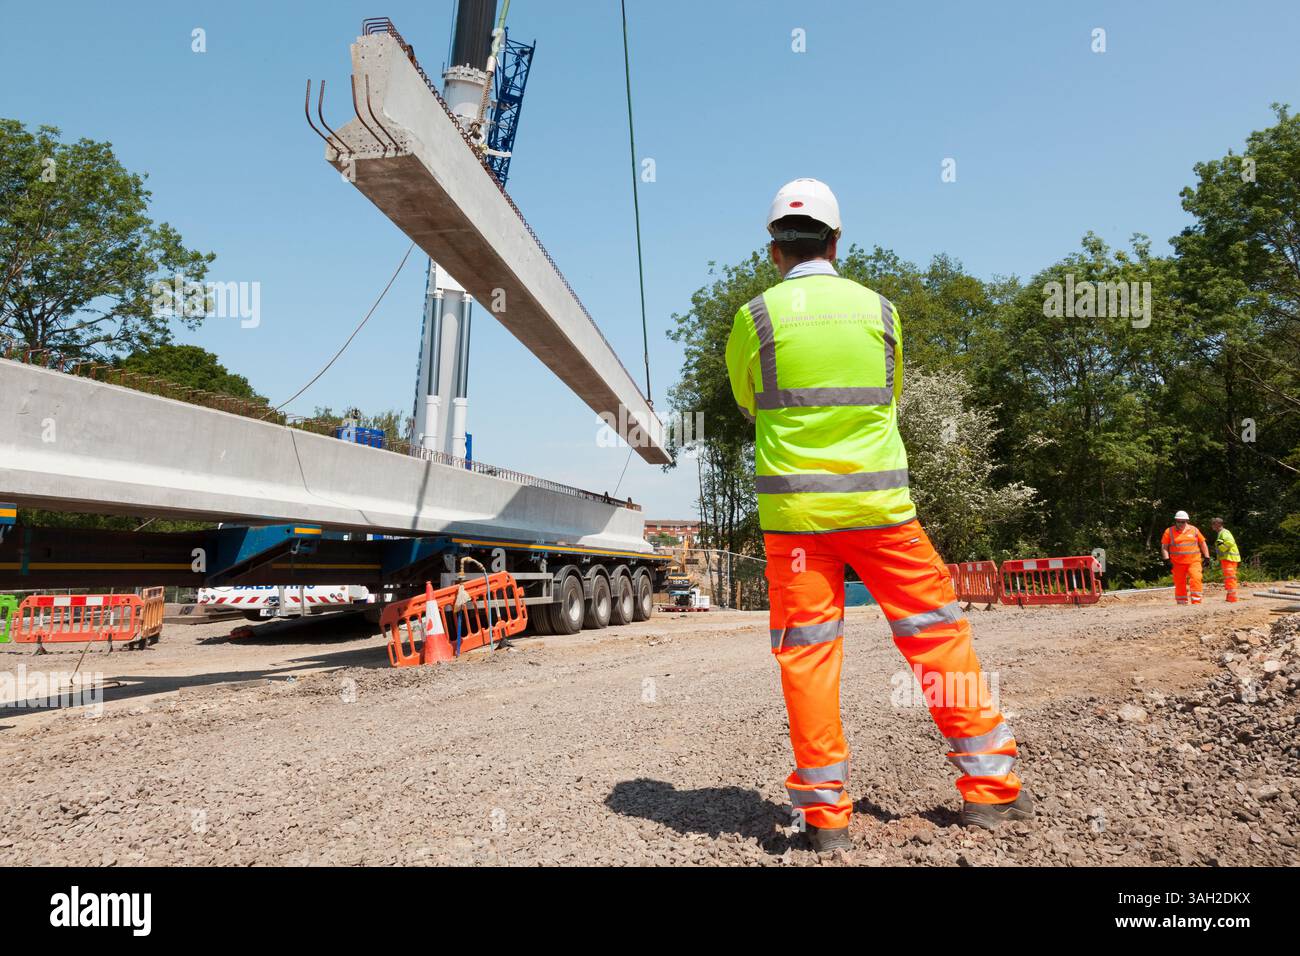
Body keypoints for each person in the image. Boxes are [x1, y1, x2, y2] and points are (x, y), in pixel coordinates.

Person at [724, 178, 1031, 851]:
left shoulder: (755, 318)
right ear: (836, 243)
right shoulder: (882, 312)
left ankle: (825, 819)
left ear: (774, 249)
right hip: (883, 513)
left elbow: (749, 400)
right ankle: (992, 791)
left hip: (796, 521)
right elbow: (888, 398)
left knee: (808, 656)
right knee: (937, 637)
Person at [1160, 510, 1210, 605]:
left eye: (1182, 522)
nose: (1180, 524)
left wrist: (1207, 557)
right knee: (1179, 583)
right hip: (1177, 563)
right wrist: (1166, 560)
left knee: (1196, 578)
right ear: (1175, 521)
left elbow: (1202, 543)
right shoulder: (1169, 531)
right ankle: (1181, 603)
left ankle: (1196, 601)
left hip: (1194, 561)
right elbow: (1164, 547)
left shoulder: (1194, 530)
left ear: (1186, 521)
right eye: (1178, 521)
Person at [1210, 517, 1241, 603]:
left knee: (1230, 578)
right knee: (1229, 578)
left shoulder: (1224, 532)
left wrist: (1221, 547)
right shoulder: (1222, 533)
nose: (1212, 526)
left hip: (1229, 558)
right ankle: (1230, 597)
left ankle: (1232, 598)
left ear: (1218, 524)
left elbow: (1230, 542)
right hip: (1228, 559)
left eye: (1213, 524)